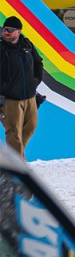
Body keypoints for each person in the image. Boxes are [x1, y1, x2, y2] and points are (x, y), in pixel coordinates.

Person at [0, 16, 44, 160]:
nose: (6, 32)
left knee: (31, 127)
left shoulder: (27, 45)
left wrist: (35, 81)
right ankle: (19, 169)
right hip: (10, 100)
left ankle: (11, 161)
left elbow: (38, 63)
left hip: (30, 97)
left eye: (10, 30)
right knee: (13, 134)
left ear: (18, 32)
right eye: (4, 29)